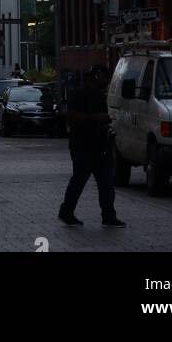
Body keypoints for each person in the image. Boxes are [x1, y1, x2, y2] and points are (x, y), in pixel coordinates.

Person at [59, 64, 125, 227]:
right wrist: (97, 118)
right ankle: (67, 212)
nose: (106, 82)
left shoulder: (99, 94)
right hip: (83, 146)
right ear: (96, 76)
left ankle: (108, 216)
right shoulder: (80, 94)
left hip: (99, 145)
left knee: (106, 184)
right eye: (104, 78)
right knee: (79, 181)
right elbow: (72, 116)